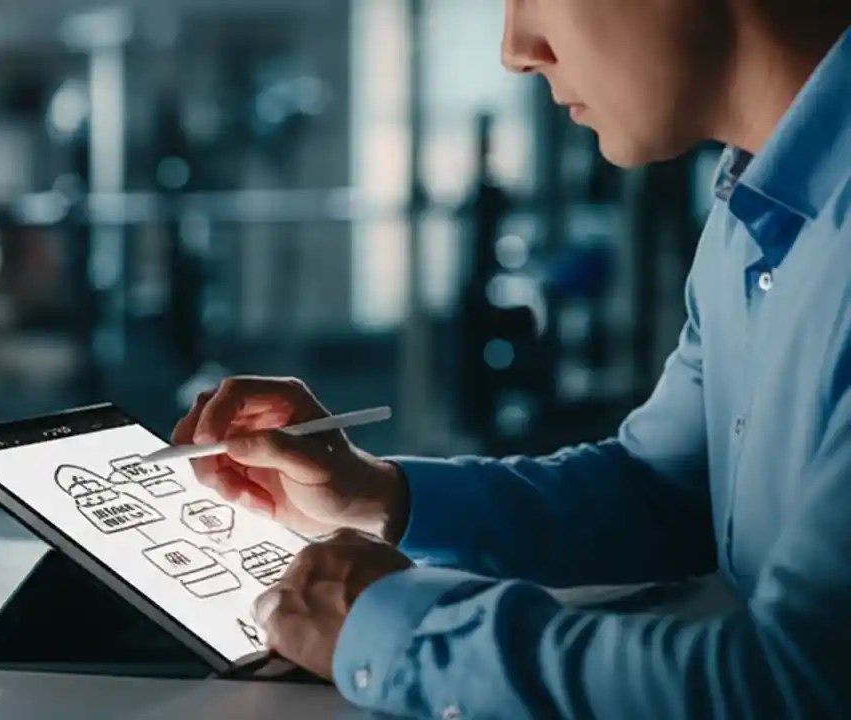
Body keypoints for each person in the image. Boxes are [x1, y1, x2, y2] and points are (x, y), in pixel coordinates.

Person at [172, 1, 851, 716]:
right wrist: (375, 495)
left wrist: (396, 628)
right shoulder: (752, 219)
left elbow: (793, 686)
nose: (516, 48)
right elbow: (663, 495)